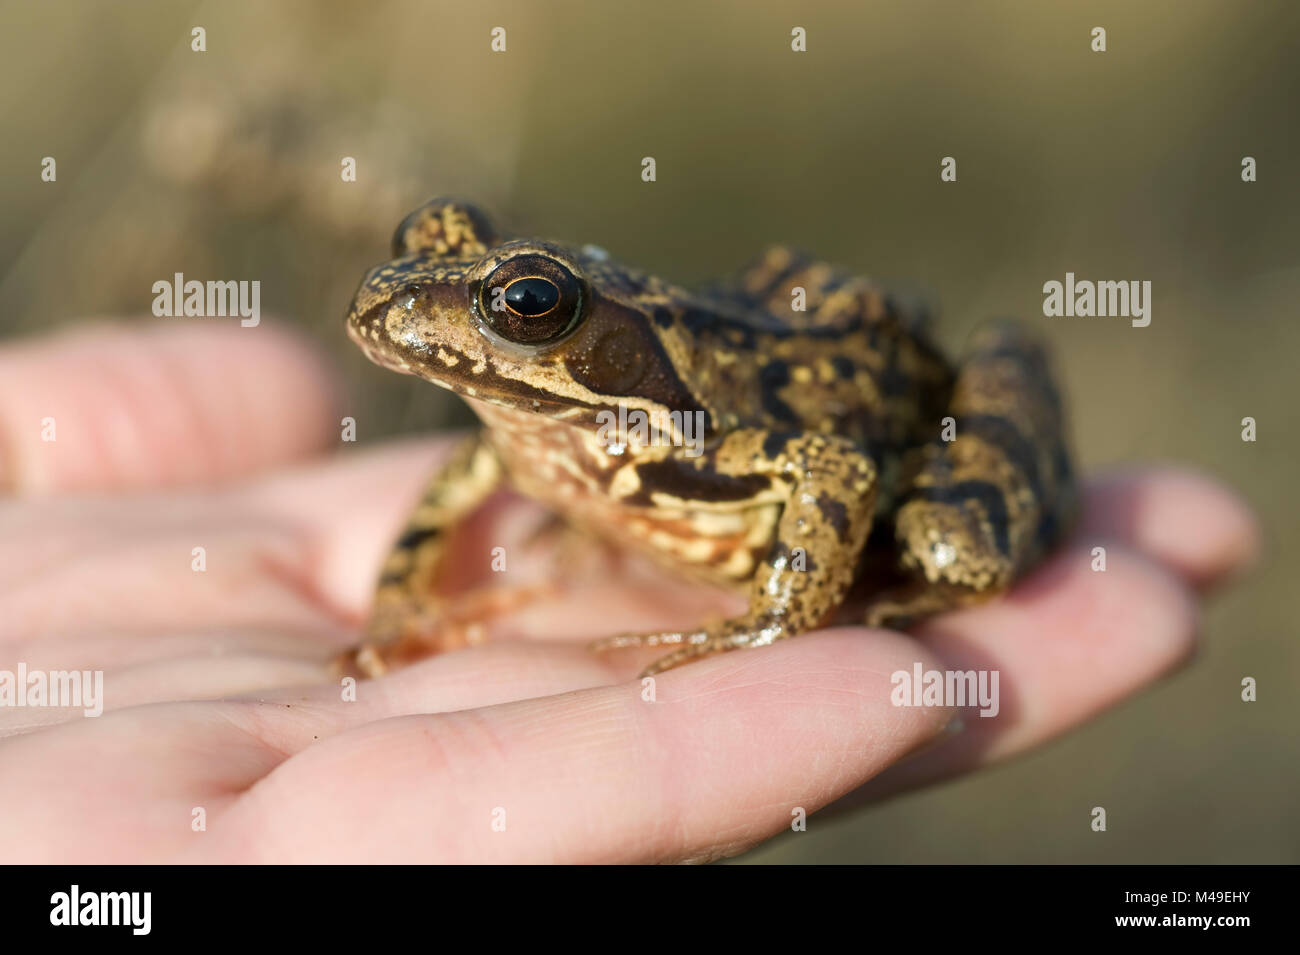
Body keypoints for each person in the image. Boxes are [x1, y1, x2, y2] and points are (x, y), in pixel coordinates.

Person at [0, 322, 1258, 863]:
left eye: (528, 310)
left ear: (583, 335)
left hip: (891, 425)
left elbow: (820, 460)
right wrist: (398, 618)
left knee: (962, 557)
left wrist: (776, 619)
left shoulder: (681, 424)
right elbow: (453, 490)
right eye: (425, 264)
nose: (426, 307)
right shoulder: (517, 429)